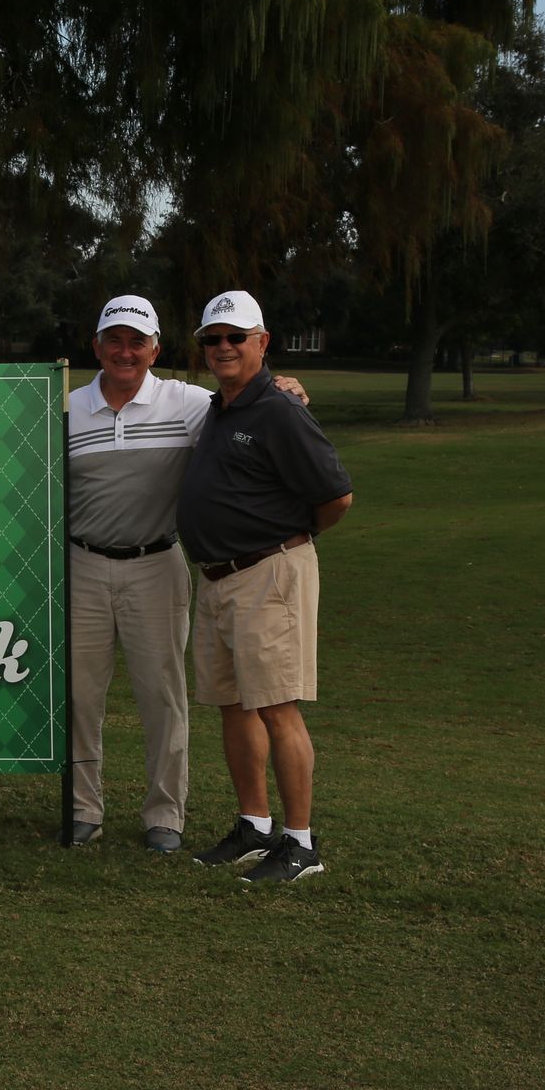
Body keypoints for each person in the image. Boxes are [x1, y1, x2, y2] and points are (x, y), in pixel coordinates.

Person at [66, 295, 308, 853]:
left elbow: (252, 400)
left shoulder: (190, 403)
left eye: (137, 342)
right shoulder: (67, 407)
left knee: (162, 696)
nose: (125, 353)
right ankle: (83, 807)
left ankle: (164, 815)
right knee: (79, 698)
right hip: (81, 564)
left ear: (155, 349)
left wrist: (286, 386)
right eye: (114, 341)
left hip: (156, 565)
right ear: (96, 346)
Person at [177, 289, 352, 883]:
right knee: (233, 703)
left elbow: (335, 498)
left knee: (278, 706)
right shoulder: (219, 407)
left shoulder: (278, 409)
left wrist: (287, 540)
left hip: (269, 570)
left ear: (262, 342)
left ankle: (301, 844)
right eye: (212, 339)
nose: (223, 348)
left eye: (235, 337)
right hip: (219, 577)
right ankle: (255, 826)